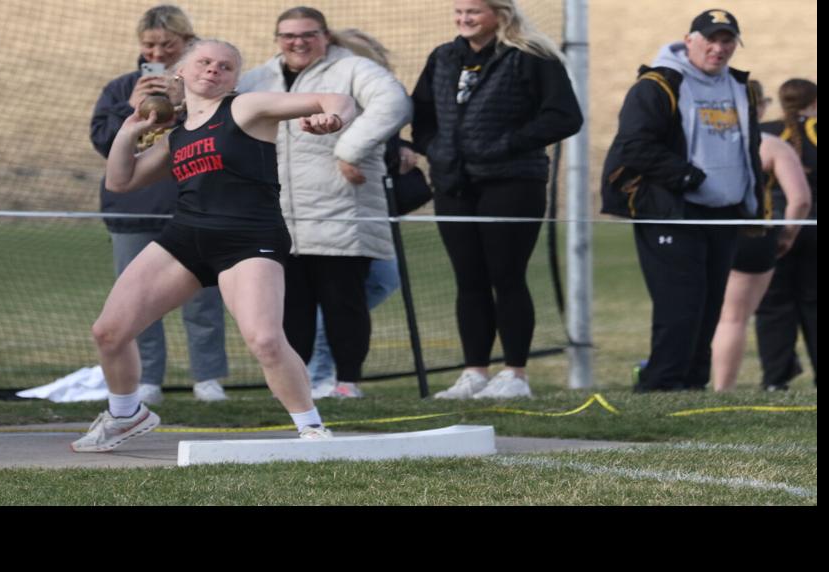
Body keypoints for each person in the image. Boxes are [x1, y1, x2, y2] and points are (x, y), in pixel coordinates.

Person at [72, 38, 356, 452]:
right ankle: (125, 414)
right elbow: (121, 182)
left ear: (234, 78)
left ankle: (312, 429)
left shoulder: (246, 108)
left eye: (225, 66)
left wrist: (334, 117)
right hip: (186, 238)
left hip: (249, 238)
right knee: (110, 332)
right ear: (181, 72)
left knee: (264, 340)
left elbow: (337, 97)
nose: (213, 70)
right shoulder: (176, 136)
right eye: (203, 62)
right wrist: (130, 130)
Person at [237, 7, 411, 401]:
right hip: (279, 215)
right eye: (288, 35)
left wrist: (350, 149)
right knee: (290, 309)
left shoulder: (353, 70)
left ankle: (347, 382)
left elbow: (393, 102)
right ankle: (298, 387)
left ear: (326, 35)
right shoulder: (259, 78)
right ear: (277, 38)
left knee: (343, 304)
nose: (297, 42)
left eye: (308, 34)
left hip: (342, 213)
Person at [412, 0, 583, 400]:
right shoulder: (443, 57)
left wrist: (505, 144)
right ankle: (474, 372)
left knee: (506, 276)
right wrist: (436, 150)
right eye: (458, 12)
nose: (464, 19)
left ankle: (514, 374)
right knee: (468, 279)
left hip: (511, 182)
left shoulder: (531, 57)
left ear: (500, 14)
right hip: (454, 184)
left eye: (473, 11)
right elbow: (421, 115)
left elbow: (564, 116)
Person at [601, 10, 765, 392]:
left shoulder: (739, 86)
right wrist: (686, 176)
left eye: (728, 41)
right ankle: (660, 385)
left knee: (710, 305)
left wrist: (752, 203)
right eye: (711, 38)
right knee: (680, 304)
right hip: (673, 210)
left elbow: (749, 149)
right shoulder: (659, 85)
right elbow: (634, 146)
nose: (719, 48)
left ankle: (693, 384)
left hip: (724, 213)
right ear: (689, 39)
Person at [89, 5, 231, 406]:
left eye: (167, 45)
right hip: (134, 211)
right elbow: (104, 143)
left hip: (195, 208)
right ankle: (147, 379)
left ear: (187, 43)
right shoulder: (121, 88)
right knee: (135, 300)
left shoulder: (208, 87)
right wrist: (127, 111)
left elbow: (224, 136)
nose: (156, 54)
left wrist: (184, 102)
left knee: (203, 299)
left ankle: (207, 378)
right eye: (149, 45)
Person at [299, 27, 414, 399]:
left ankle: (330, 368)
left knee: (377, 283)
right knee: (335, 296)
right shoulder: (334, 95)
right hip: (332, 212)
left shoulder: (375, 94)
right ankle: (321, 372)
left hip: (370, 215)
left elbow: (385, 130)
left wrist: (405, 149)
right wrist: (345, 153)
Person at [709, 79, 810, 391]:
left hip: (713, 231)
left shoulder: (706, 140)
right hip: (758, 231)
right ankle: (724, 388)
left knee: (720, 314)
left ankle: (707, 385)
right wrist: (788, 234)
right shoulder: (770, 143)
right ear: (760, 105)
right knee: (736, 317)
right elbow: (800, 198)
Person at [755, 77, 817, 389]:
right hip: (812, 226)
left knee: (773, 307)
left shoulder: (766, 133)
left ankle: (775, 379)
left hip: (773, 226)